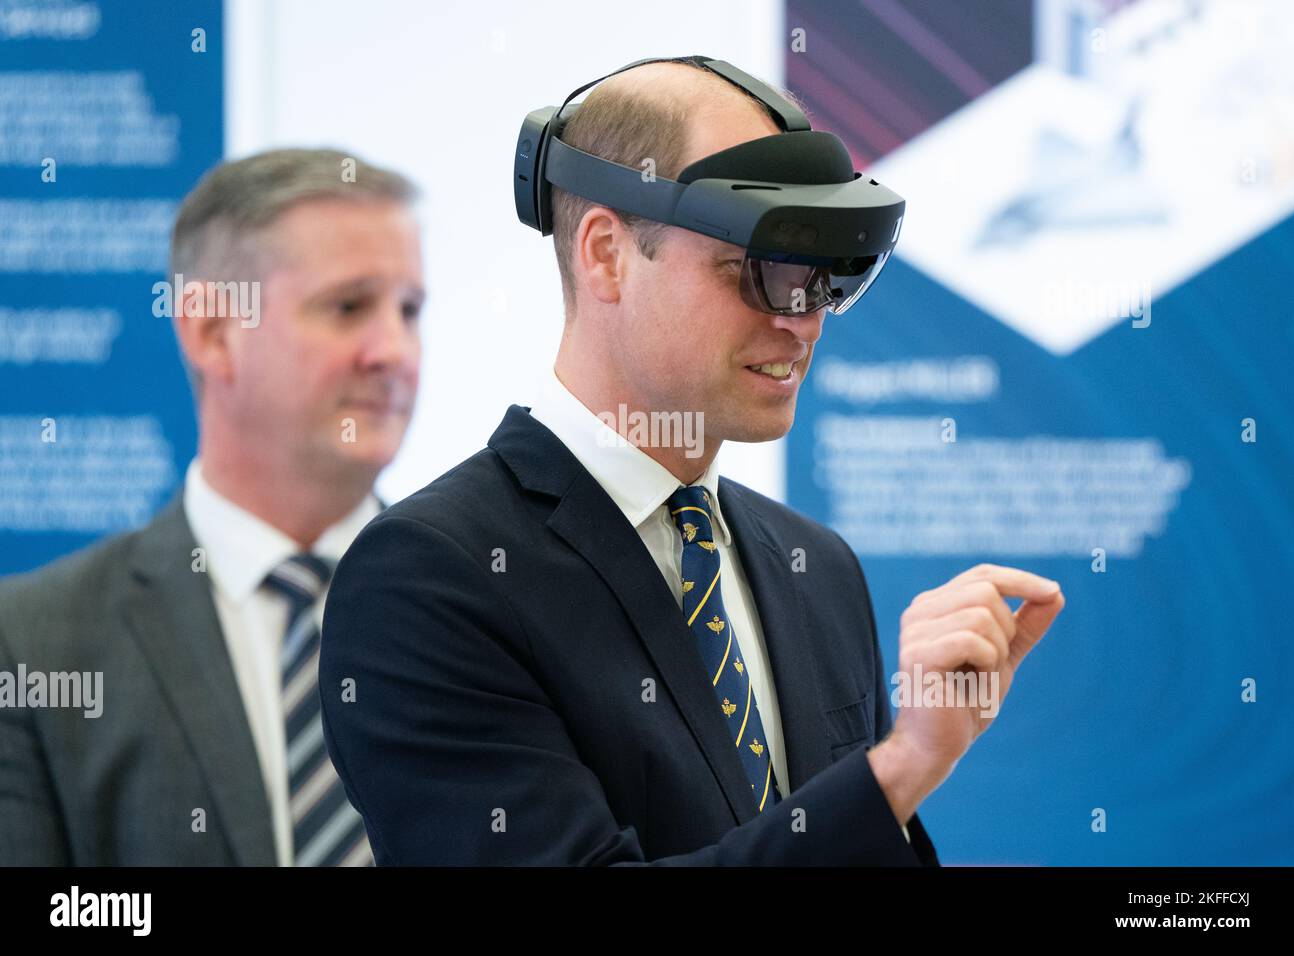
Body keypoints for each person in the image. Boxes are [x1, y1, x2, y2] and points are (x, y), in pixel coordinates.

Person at [319, 59, 1065, 865]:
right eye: (763, 269)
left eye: (823, 281)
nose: (803, 323)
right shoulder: (432, 577)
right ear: (605, 254)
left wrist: (898, 785)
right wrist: (904, 767)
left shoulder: (817, 568)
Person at [0, 148, 426, 865]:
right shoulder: (33, 643)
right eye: (349, 306)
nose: (394, 351)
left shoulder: (498, 602)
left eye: (409, 310)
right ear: (212, 332)